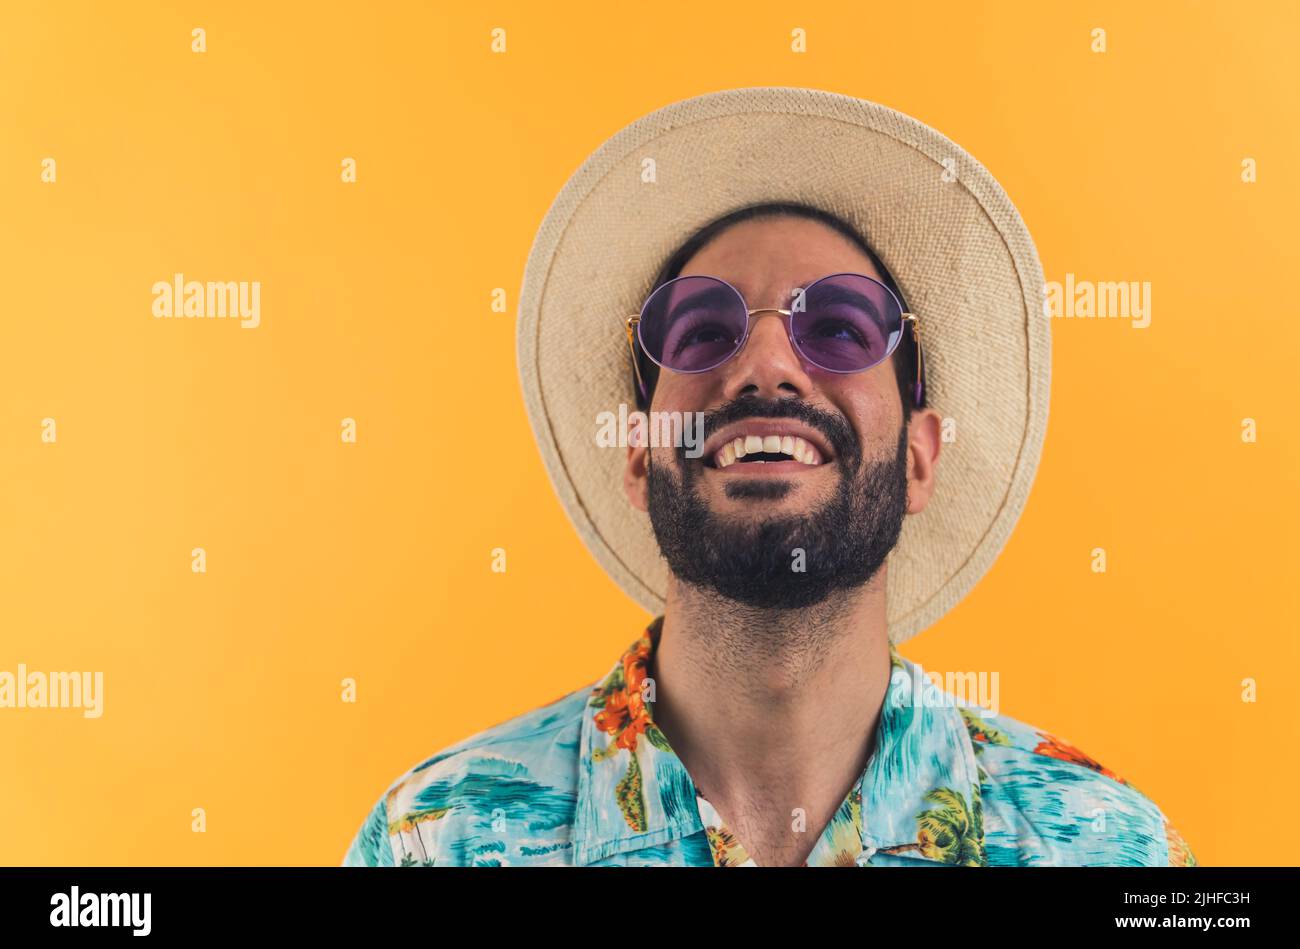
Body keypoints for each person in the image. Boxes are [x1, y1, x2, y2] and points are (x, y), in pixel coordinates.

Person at [343, 87, 1196, 867]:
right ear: (640, 453)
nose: (766, 366)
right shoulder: (434, 839)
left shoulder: (1110, 849)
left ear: (919, 456)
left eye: (840, 327)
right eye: (703, 331)